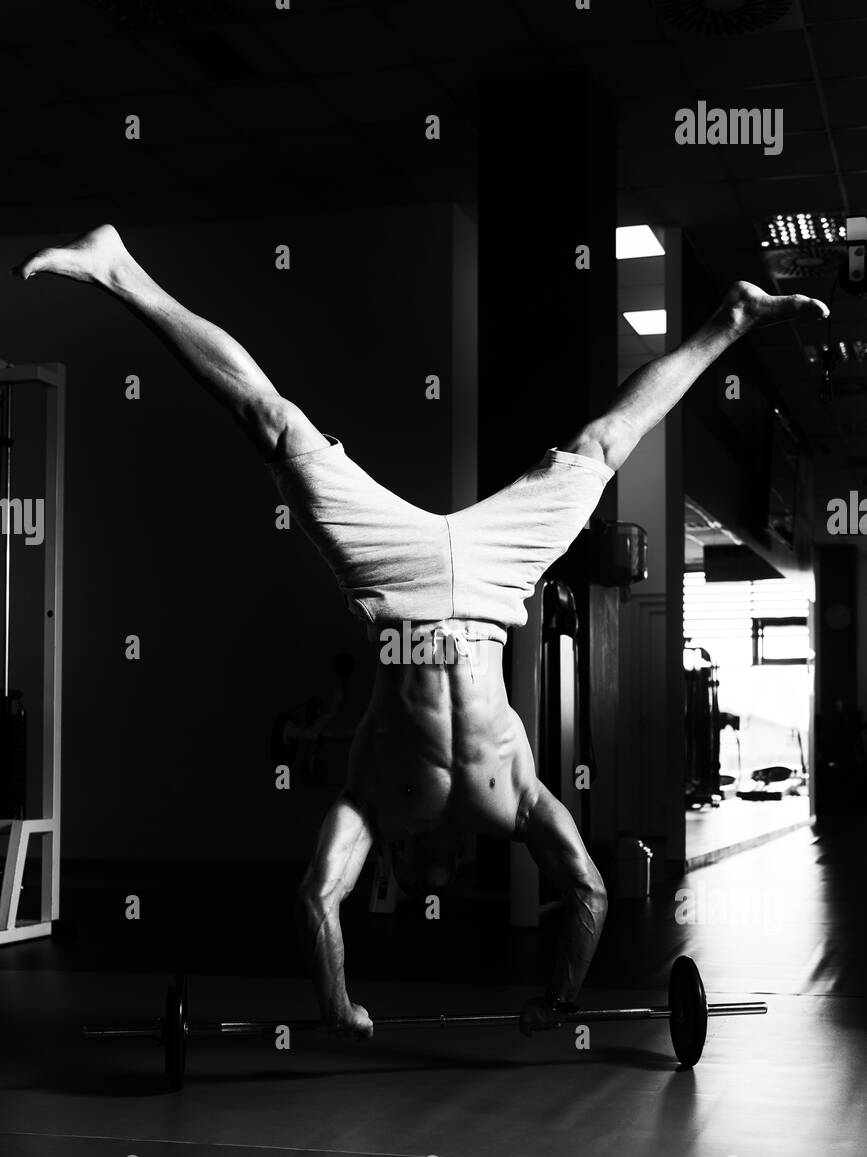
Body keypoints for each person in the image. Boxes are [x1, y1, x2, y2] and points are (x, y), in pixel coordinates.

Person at [13, 225, 828, 1038]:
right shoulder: (514, 801)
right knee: (599, 445)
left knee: (279, 427)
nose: (416, 877)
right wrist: (561, 996)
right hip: (492, 580)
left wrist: (336, 1003)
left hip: (394, 583)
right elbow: (588, 891)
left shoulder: (372, 802)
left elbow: (317, 898)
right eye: (421, 875)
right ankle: (732, 317)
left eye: (407, 878)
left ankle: (118, 271)